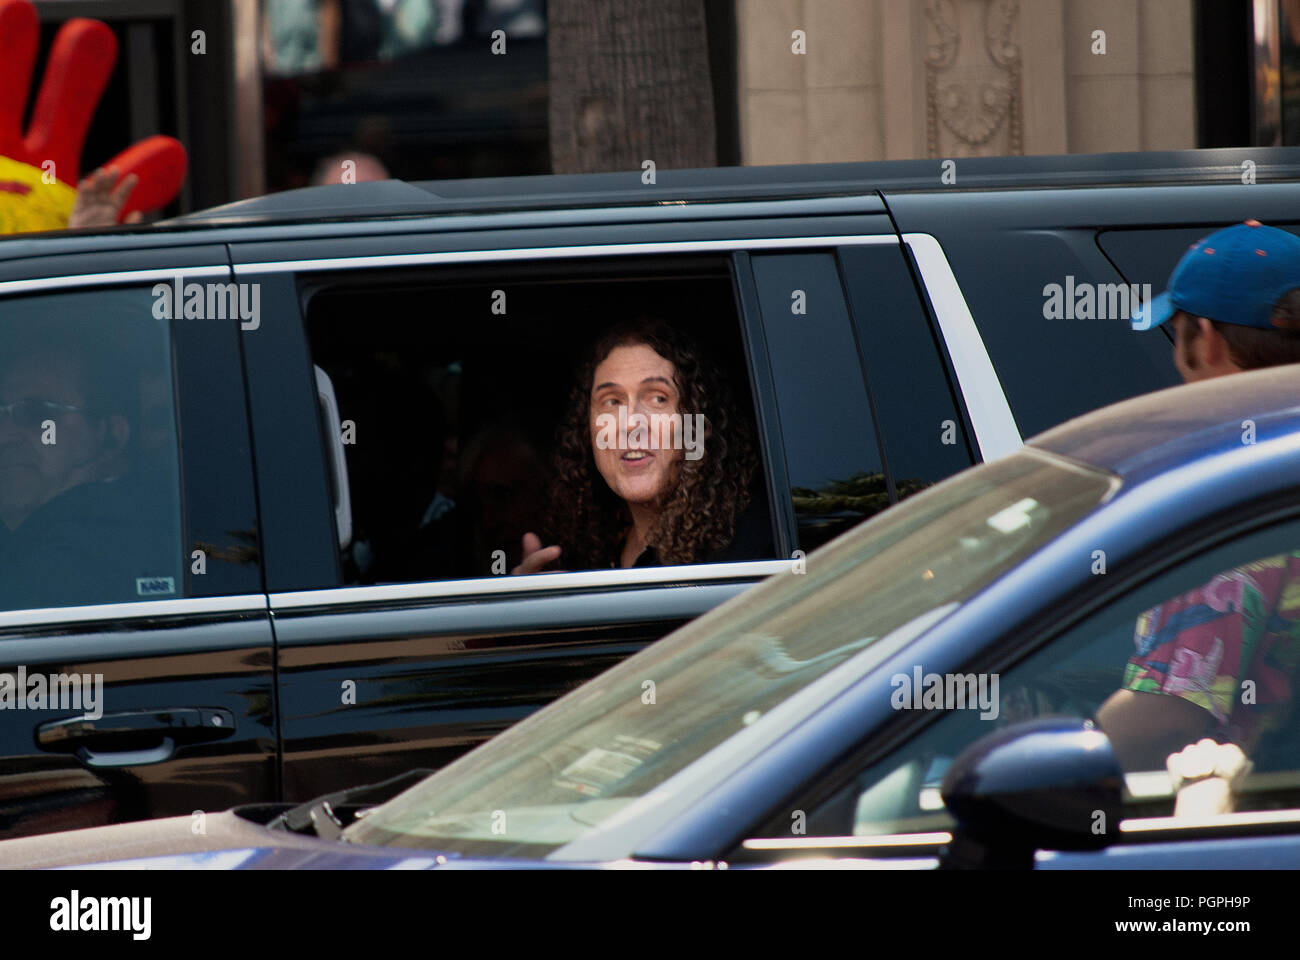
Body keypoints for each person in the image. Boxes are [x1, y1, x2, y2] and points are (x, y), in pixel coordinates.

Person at [1095, 220, 1300, 773]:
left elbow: (1165, 716)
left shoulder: (1231, 490)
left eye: (1177, 332)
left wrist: (1061, 758)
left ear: (1207, 338)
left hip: (1249, 820)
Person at [513, 318, 770, 573]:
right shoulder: (586, 550)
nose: (631, 423)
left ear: (697, 425)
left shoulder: (749, 549)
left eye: (658, 398)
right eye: (611, 401)